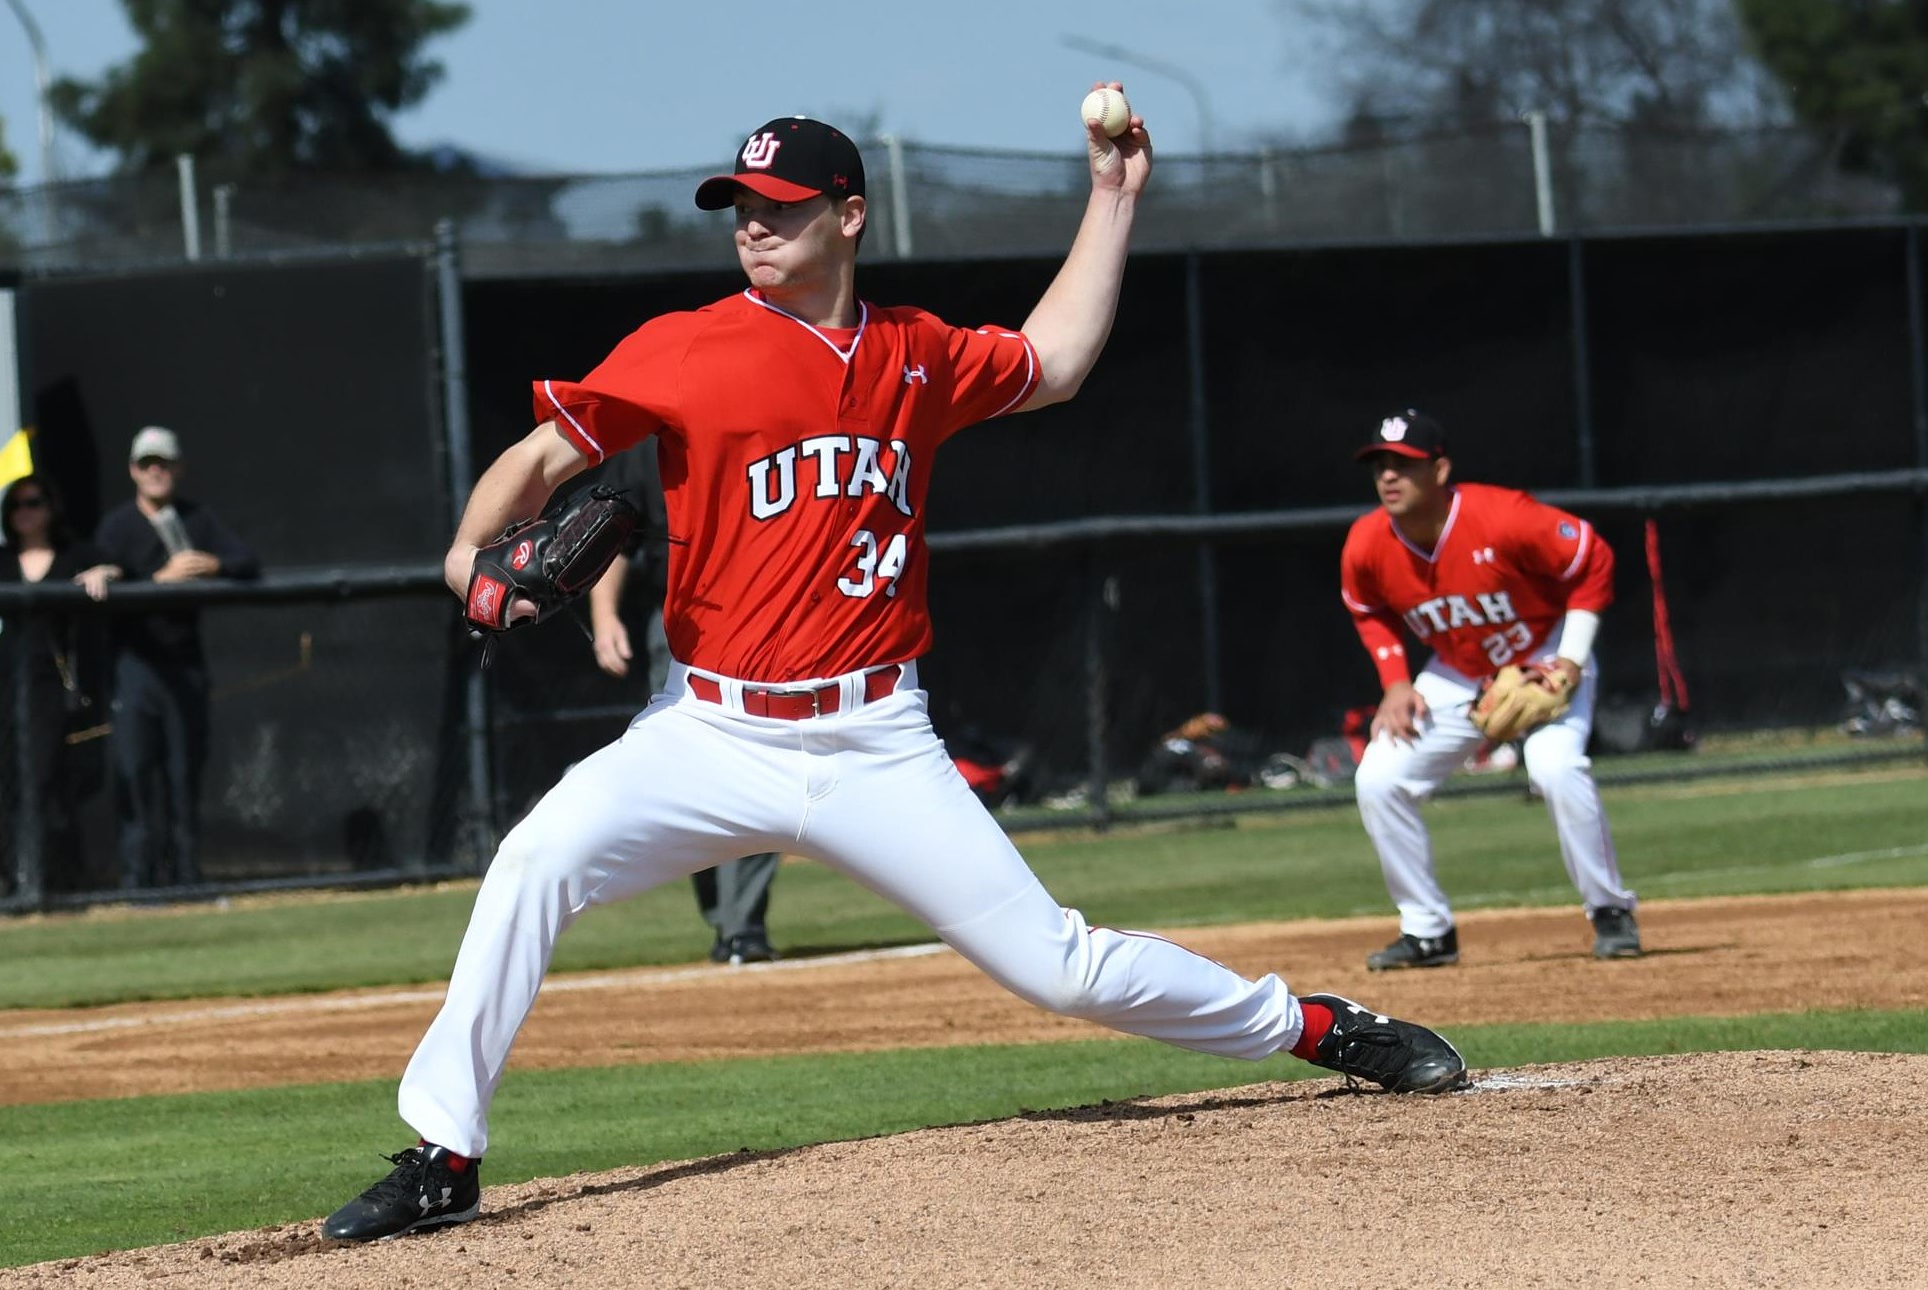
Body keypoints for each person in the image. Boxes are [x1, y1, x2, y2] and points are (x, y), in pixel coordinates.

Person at [324, 96, 1467, 1244]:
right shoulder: (681, 346)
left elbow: (1055, 360)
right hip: (710, 735)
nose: (752, 227)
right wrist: (468, 554)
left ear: (849, 214)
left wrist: (1113, 199)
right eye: (739, 207)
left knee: (1059, 970)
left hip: (878, 741)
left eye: (779, 208)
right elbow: (539, 457)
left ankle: (1316, 1026)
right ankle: (445, 1154)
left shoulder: (913, 353)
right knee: (533, 863)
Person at [1339, 409, 1642, 969]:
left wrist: (1570, 660)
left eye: (1403, 464)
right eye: (1379, 464)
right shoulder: (1366, 542)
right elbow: (1366, 608)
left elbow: (1591, 559)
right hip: (1457, 671)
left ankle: (1609, 910)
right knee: (1380, 777)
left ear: (1441, 469)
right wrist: (1396, 681)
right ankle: (1428, 931)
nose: (1388, 476)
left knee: (1554, 766)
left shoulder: (1503, 517)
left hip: (1544, 656)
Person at [588, 438, 782, 966]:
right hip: (677, 621)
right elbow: (616, 541)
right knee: (690, 778)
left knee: (756, 766)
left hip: (758, 619)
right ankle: (727, 918)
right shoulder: (649, 444)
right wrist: (605, 619)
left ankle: (744, 926)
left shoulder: (758, 425)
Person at [92, 426, 261, 889]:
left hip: (184, 665)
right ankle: (139, 882)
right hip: (136, 666)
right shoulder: (119, 526)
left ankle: (187, 876)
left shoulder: (196, 519)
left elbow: (247, 561)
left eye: (163, 463)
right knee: (135, 770)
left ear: (178, 468)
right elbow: (99, 570)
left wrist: (213, 565)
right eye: (147, 464)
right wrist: (158, 579)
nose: (155, 472)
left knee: (184, 771)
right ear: (133, 470)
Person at [0, 469, 117, 890]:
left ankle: (59, 878)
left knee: (45, 782)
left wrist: (105, 573)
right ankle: (25, 881)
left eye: (34, 502)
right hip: (1, 685)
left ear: (51, 509)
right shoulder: (0, 559)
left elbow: (117, 564)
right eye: (17, 505)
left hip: (47, 685)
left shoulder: (73, 555)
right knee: (13, 789)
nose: (25, 512)